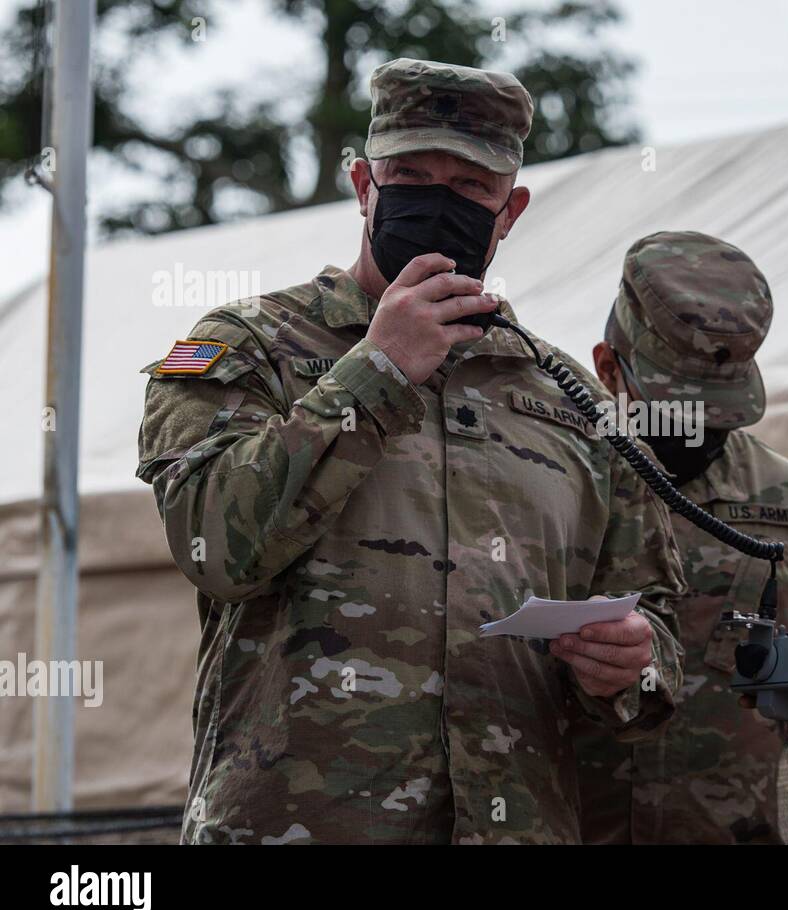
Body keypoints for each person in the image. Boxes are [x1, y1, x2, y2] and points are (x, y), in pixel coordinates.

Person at [136, 59, 686, 844]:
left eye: (468, 188)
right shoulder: (247, 346)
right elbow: (217, 542)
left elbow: (655, 629)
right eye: (411, 175)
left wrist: (633, 666)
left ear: (511, 210)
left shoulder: (573, 404)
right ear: (363, 184)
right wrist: (379, 369)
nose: (437, 202)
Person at [574, 231, 788, 844]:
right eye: (674, 410)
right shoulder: (541, 491)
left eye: (719, 416)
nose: (696, 432)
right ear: (608, 367)